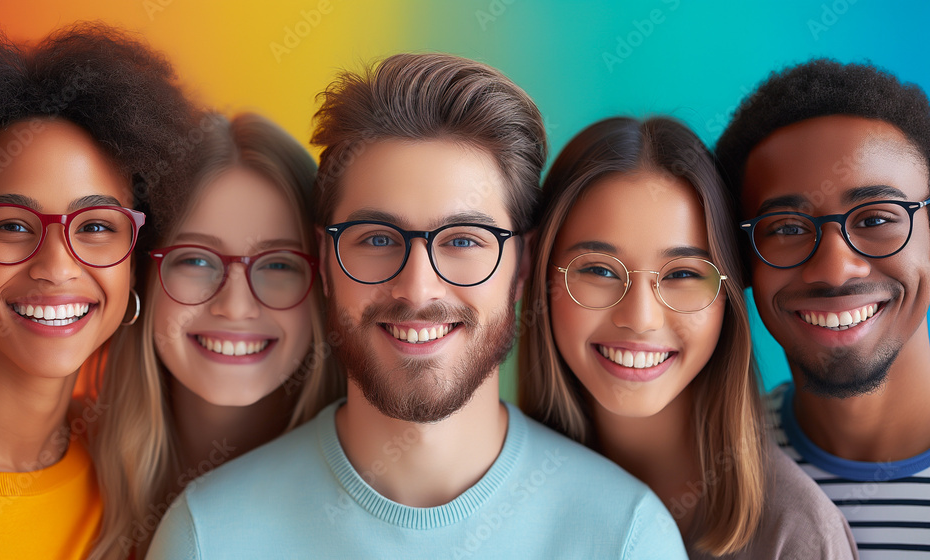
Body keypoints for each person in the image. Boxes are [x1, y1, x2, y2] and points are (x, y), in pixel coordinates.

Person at [148, 53, 685, 559]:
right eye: (378, 238)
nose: (418, 289)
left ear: (521, 268)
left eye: (465, 239)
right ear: (325, 261)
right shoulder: (208, 536)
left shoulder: (626, 537)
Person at [520, 116, 857, 558]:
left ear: (729, 295)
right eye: (599, 270)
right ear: (538, 272)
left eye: (682, 274)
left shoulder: (794, 535)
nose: (640, 318)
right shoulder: (490, 496)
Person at [0, 24, 196, 559]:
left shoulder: (130, 475)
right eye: (11, 225)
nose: (57, 266)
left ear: (136, 262)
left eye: (97, 226)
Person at [88, 112, 344, 558]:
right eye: (196, 260)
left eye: (279, 264)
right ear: (142, 275)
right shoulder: (58, 469)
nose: (235, 305)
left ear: (323, 291)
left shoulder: (374, 493)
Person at [714, 59, 930, 556]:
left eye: (877, 218)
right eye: (787, 228)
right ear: (741, 261)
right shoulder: (713, 480)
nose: (835, 269)